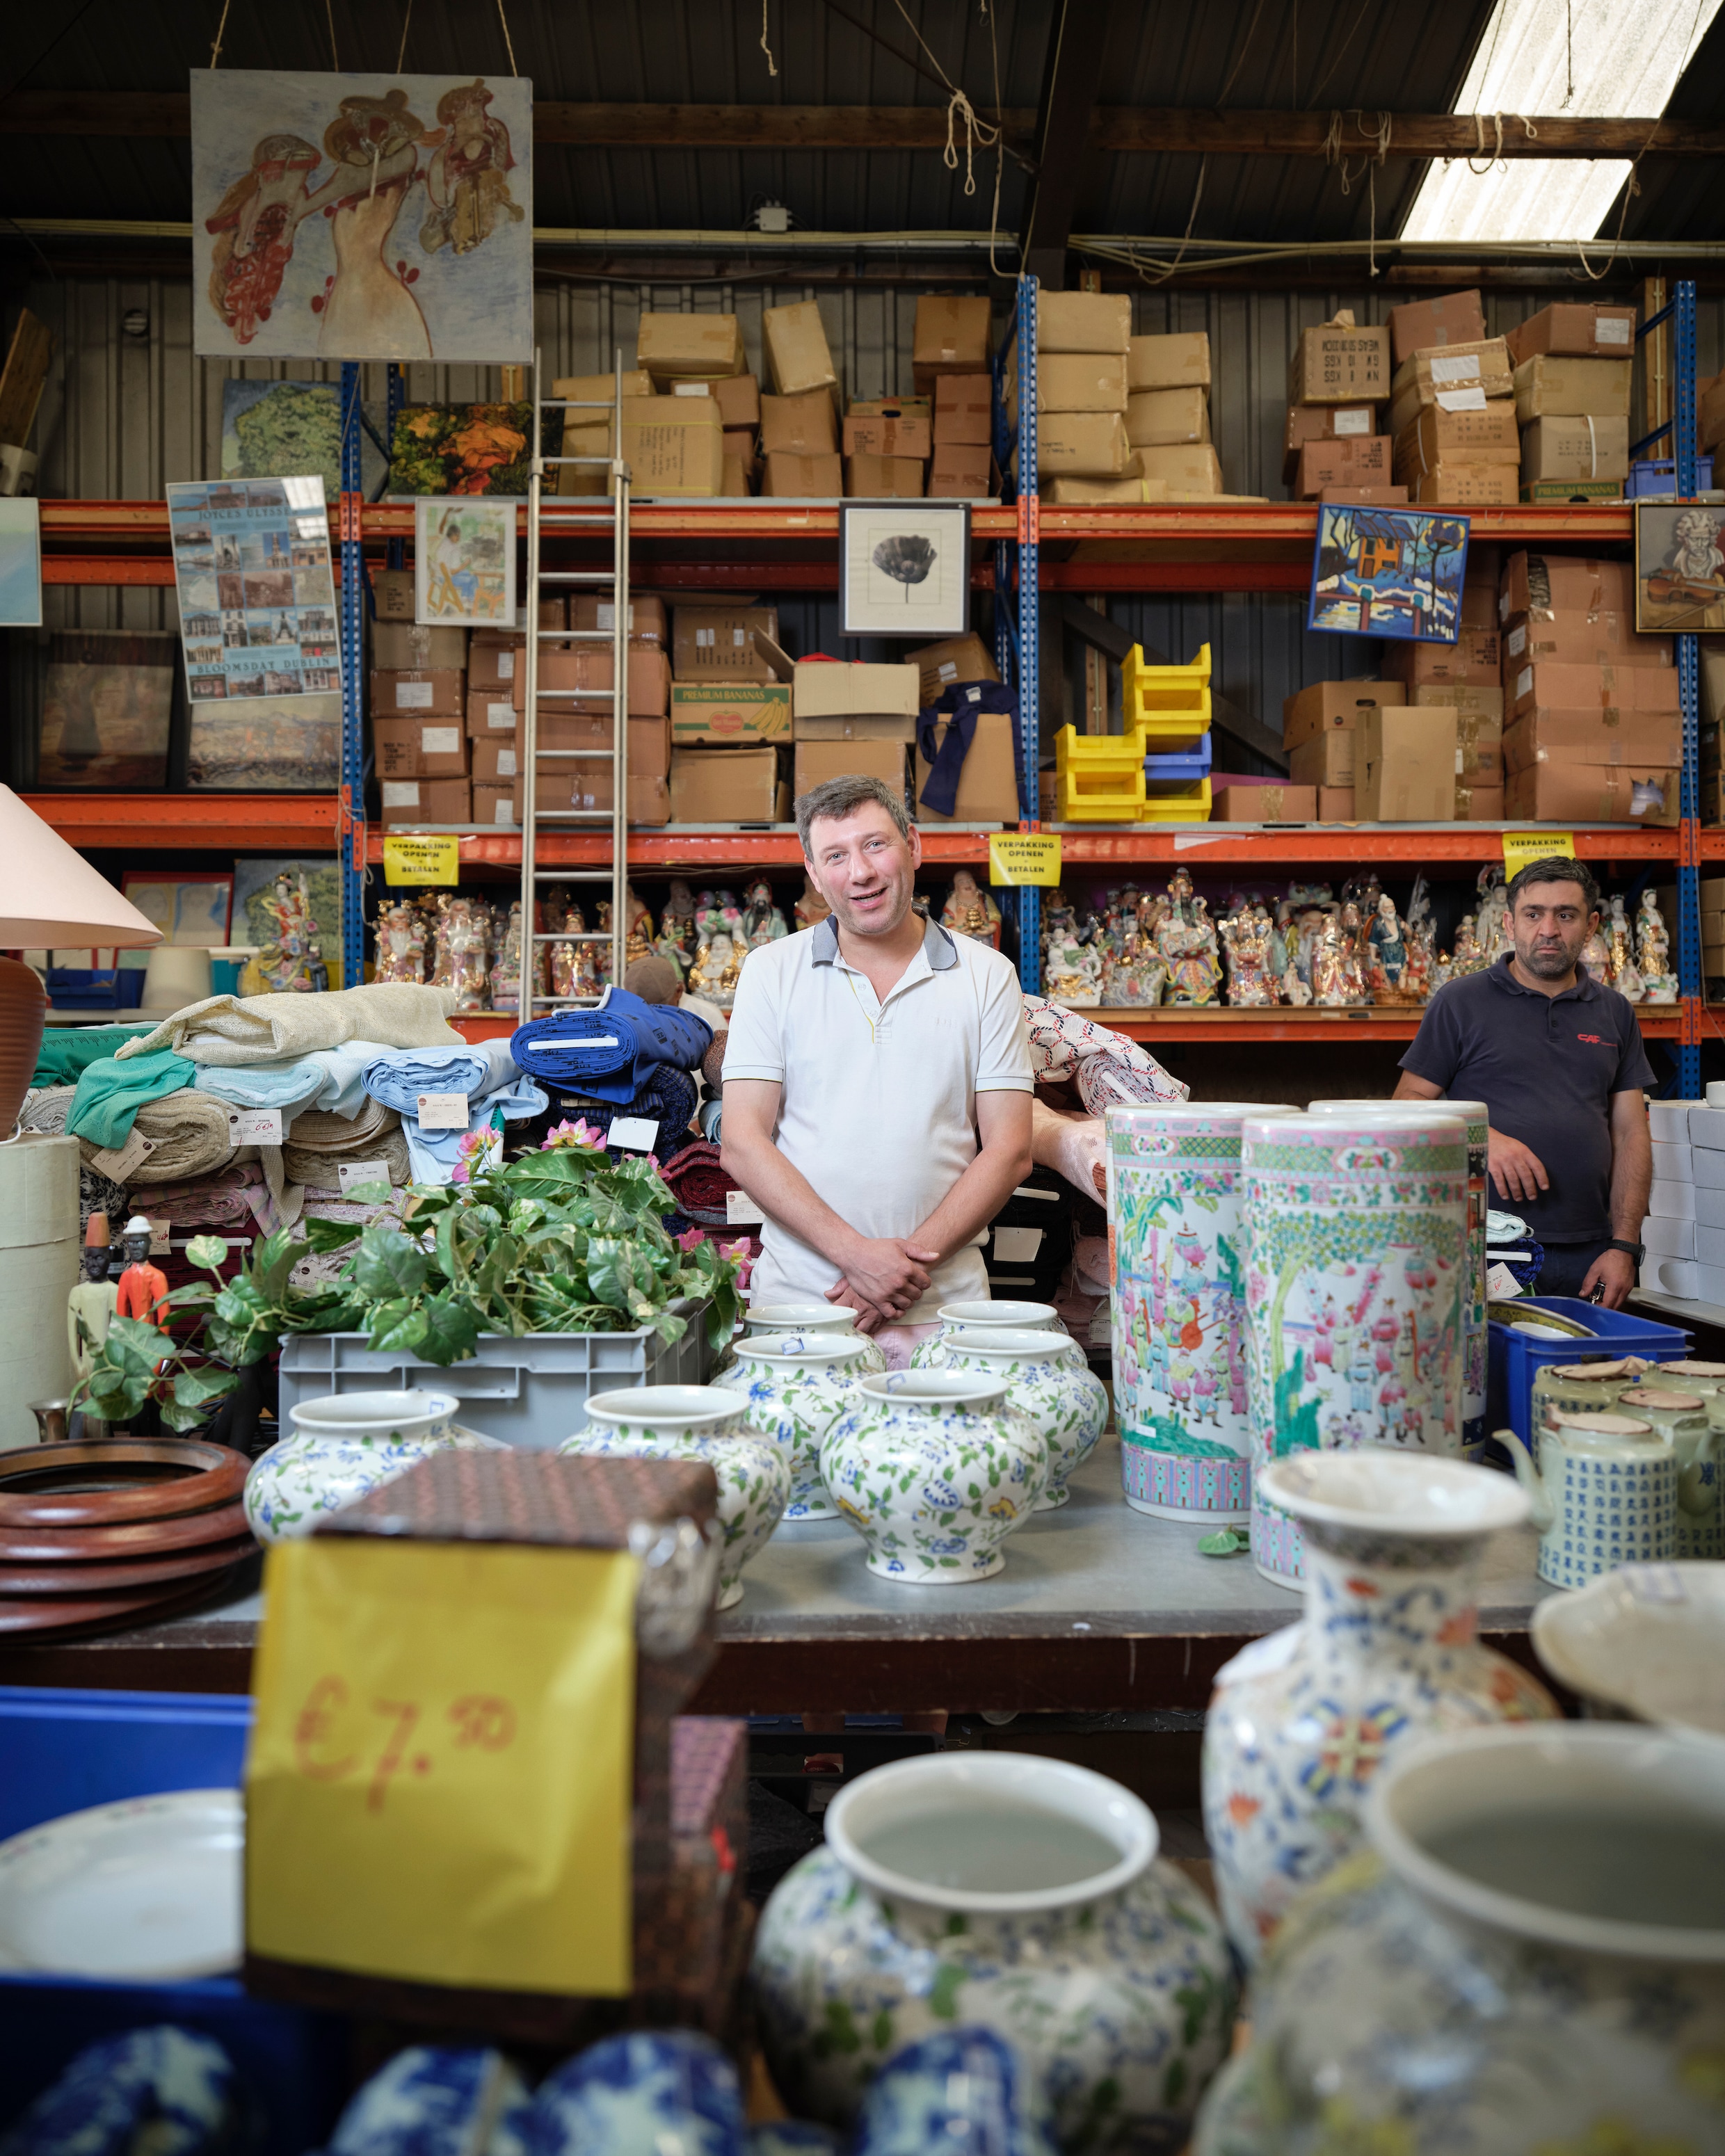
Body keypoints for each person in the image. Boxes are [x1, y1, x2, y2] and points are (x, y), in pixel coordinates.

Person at [720, 773, 1034, 1340]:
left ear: (912, 845)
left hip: (945, 1309)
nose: (859, 872)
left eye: (875, 845)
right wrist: (858, 1258)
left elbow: (1010, 1150)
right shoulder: (771, 972)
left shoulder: (988, 975)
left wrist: (905, 1268)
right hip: (802, 1304)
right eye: (835, 856)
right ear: (814, 874)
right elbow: (742, 1142)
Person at [1395, 855, 1653, 1307]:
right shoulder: (1461, 1002)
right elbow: (1405, 1104)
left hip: (1590, 1252)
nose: (1549, 929)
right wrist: (1484, 1138)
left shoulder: (1614, 1012)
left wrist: (1624, 1246)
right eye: (1534, 914)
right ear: (1510, 922)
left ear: (1591, 925)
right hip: (1484, 1247)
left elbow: (1631, 1133)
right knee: (1486, 1375)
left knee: (1584, 1375)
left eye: (1565, 915)